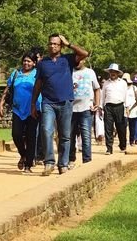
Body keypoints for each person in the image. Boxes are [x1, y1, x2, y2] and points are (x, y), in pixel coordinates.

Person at [31, 34, 89, 176]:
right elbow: (38, 84)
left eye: (56, 44)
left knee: (65, 135)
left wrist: (69, 44)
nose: (52, 46)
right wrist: (33, 103)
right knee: (46, 131)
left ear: (60, 46)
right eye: (50, 43)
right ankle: (49, 162)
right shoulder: (42, 63)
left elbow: (85, 53)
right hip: (48, 102)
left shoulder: (68, 59)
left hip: (66, 102)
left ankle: (63, 164)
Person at [0, 50, 40, 172]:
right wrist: (1, 104)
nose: (26, 63)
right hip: (18, 109)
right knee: (16, 135)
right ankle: (23, 154)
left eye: (29, 61)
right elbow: (7, 89)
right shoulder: (16, 73)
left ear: (34, 63)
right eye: (25, 60)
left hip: (33, 109)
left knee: (31, 137)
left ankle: (28, 165)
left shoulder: (37, 74)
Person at [68, 56, 100, 165]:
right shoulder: (69, 72)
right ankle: (71, 159)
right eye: (75, 59)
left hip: (86, 108)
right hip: (71, 109)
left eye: (80, 59)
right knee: (70, 135)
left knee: (86, 135)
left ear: (84, 60)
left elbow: (97, 89)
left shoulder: (90, 72)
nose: (77, 61)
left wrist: (97, 103)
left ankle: (87, 161)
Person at [99, 64, 128, 155]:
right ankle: (109, 148)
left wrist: (126, 107)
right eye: (111, 72)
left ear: (118, 73)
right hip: (108, 107)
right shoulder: (106, 83)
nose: (112, 73)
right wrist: (100, 106)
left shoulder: (123, 83)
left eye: (114, 72)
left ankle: (123, 146)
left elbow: (125, 95)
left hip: (119, 106)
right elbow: (102, 96)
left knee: (121, 127)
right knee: (108, 128)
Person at [126, 75, 137, 144]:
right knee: (132, 126)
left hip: (135, 110)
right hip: (129, 109)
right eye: (134, 83)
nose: (136, 85)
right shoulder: (130, 88)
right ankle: (134, 139)